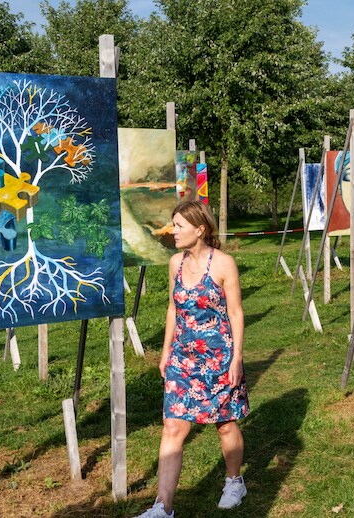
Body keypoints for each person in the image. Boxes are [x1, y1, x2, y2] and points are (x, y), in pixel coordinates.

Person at [137, 201, 249, 518]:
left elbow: (236, 313)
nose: (173, 231)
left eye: (179, 226)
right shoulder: (175, 263)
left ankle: (234, 481)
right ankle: (163, 507)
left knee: (225, 425)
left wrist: (236, 358)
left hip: (219, 357)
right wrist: (166, 350)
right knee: (173, 426)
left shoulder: (224, 264)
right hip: (183, 359)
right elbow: (174, 309)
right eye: (173, 224)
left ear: (200, 230)